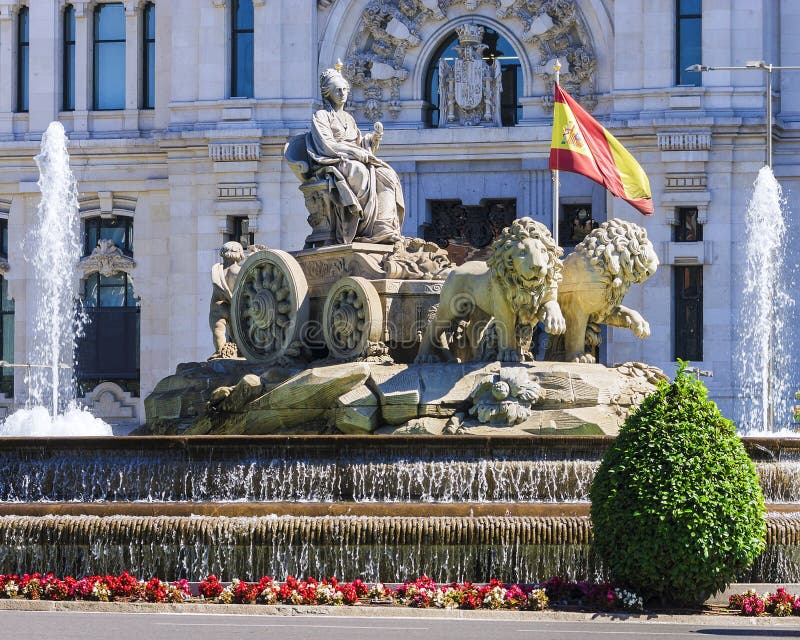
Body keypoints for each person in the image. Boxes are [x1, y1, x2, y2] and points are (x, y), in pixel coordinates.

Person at [305, 64, 405, 244]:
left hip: (354, 159)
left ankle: (383, 225)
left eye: (344, 89)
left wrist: (372, 140)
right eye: (338, 90)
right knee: (359, 172)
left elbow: (361, 143)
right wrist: (355, 153)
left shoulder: (349, 118)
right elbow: (327, 145)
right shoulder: (321, 116)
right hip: (334, 161)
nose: (342, 93)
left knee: (388, 175)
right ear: (328, 92)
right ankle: (364, 228)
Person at [209, 241, 245, 357]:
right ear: (239, 253)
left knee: (218, 330)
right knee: (237, 332)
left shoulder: (217, 270)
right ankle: (240, 350)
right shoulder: (239, 271)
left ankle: (220, 350)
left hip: (218, 306)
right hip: (234, 307)